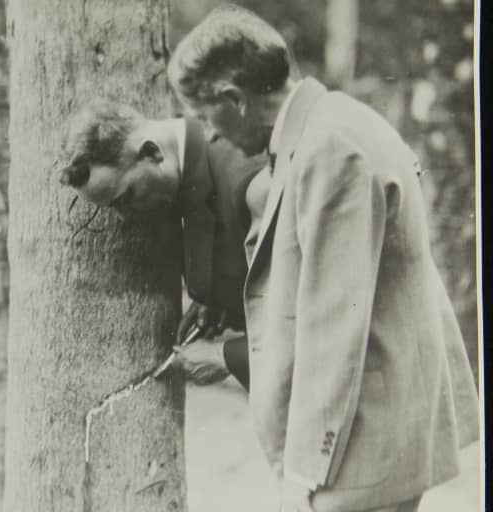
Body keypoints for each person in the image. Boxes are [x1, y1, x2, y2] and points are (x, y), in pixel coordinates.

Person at [167, 5, 480, 512]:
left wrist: (304, 475)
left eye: (206, 117)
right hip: (373, 425)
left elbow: (335, 324)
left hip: (367, 439)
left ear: (235, 99)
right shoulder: (328, 125)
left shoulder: (330, 149)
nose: (215, 136)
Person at [58, 99, 267, 390]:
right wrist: (222, 299)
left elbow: (327, 311)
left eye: (125, 197)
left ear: (151, 152)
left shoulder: (247, 176)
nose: (123, 218)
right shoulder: (189, 177)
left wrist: (228, 357)